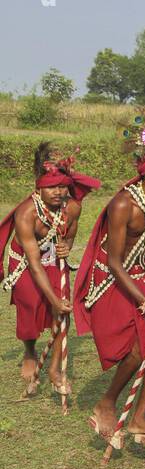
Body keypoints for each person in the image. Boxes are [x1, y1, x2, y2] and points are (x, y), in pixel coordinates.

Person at [75, 123, 145, 450]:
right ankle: (107, 403)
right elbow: (114, 262)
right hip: (112, 278)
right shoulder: (124, 204)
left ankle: (140, 414)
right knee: (137, 349)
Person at [2, 145, 100, 397]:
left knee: (62, 310)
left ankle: (55, 370)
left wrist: (66, 247)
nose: (58, 192)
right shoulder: (26, 213)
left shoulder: (72, 208)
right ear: (38, 188)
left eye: (62, 186)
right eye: (51, 187)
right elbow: (34, 263)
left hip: (53, 259)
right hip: (25, 263)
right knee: (31, 306)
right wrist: (53, 299)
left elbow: (70, 235)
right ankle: (30, 350)